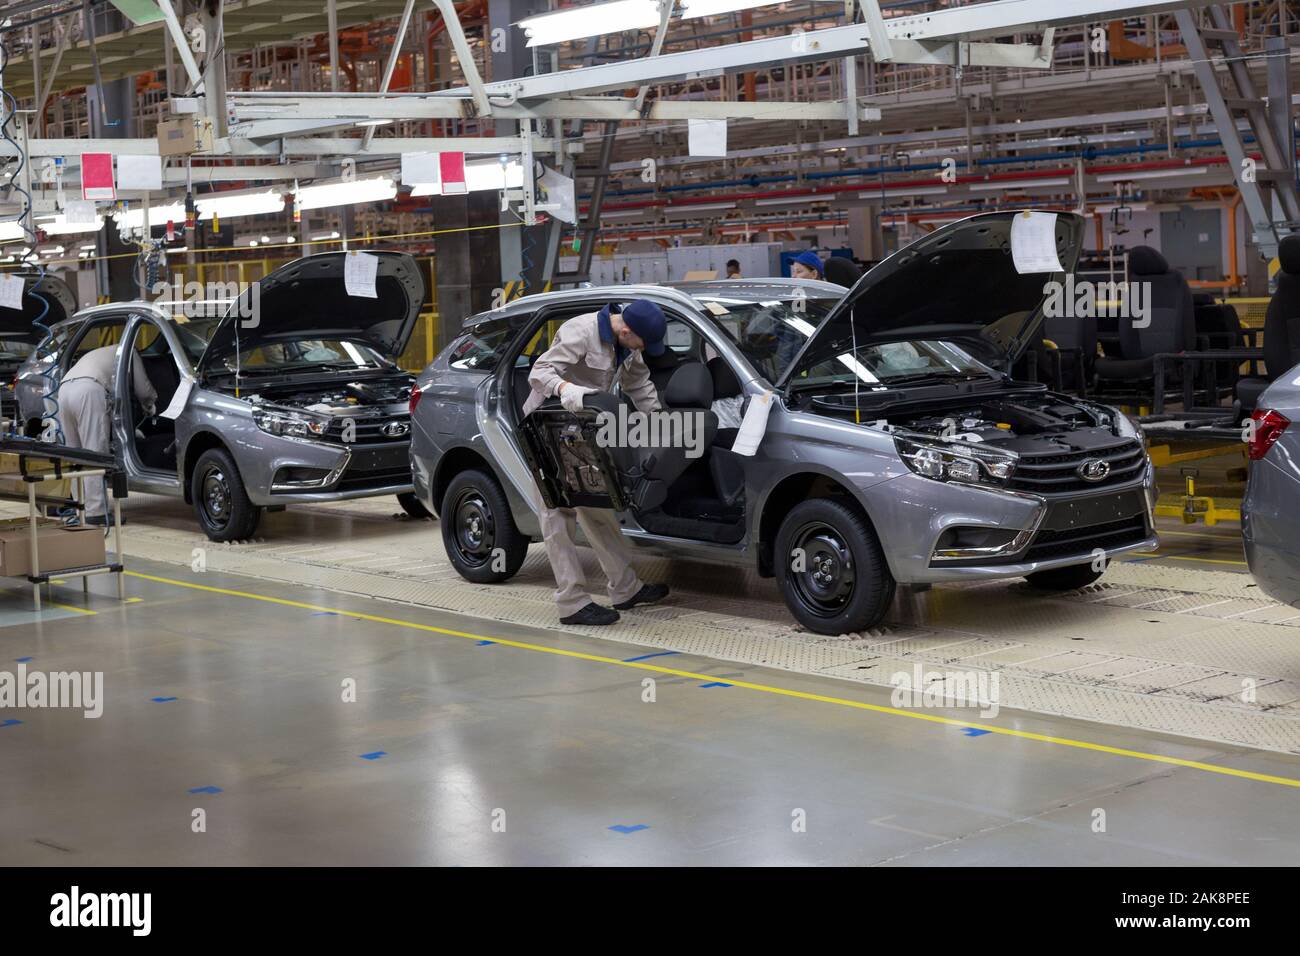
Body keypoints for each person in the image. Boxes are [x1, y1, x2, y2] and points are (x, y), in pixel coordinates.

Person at [524, 300, 671, 626]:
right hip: (546, 427)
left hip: (582, 430)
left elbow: (638, 384)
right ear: (627, 330)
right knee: (557, 512)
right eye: (642, 343)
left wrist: (659, 423)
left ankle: (625, 588)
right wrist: (571, 391)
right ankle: (571, 602)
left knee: (596, 506)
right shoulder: (582, 330)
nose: (644, 349)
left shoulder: (628, 344)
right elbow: (540, 372)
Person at [57, 345, 157, 526]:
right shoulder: (129, 350)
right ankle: (96, 512)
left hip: (64, 390)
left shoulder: (101, 352)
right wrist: (150, 405)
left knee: (74, 453)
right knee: (95, 453)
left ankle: (80, 506)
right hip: (89, 390)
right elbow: (143, 389)